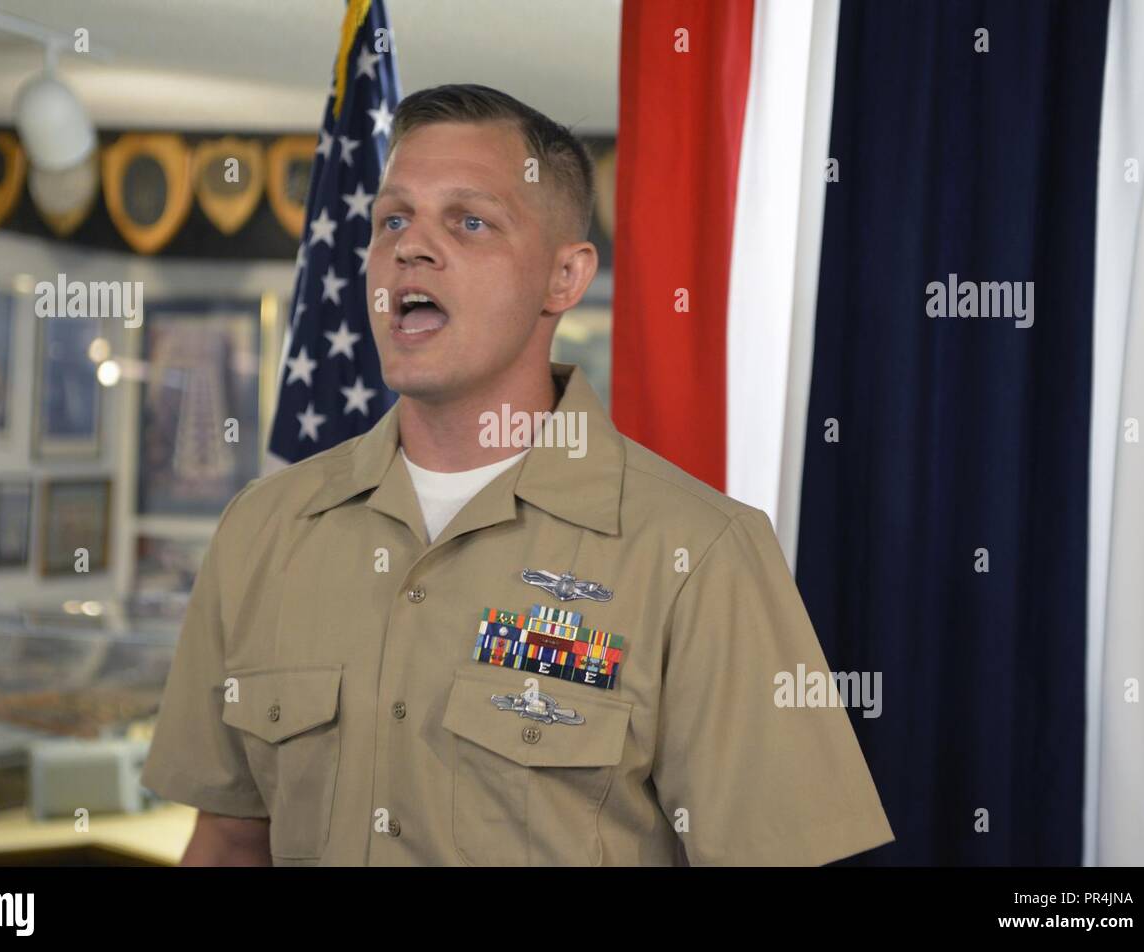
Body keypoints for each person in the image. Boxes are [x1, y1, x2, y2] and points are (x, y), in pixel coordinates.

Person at [141, 83, 894, 866]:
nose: (412, 247)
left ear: (564, 279)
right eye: (393, 219)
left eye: (469, 221)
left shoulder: (700, 555)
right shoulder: (262, 528)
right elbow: (230, 840)